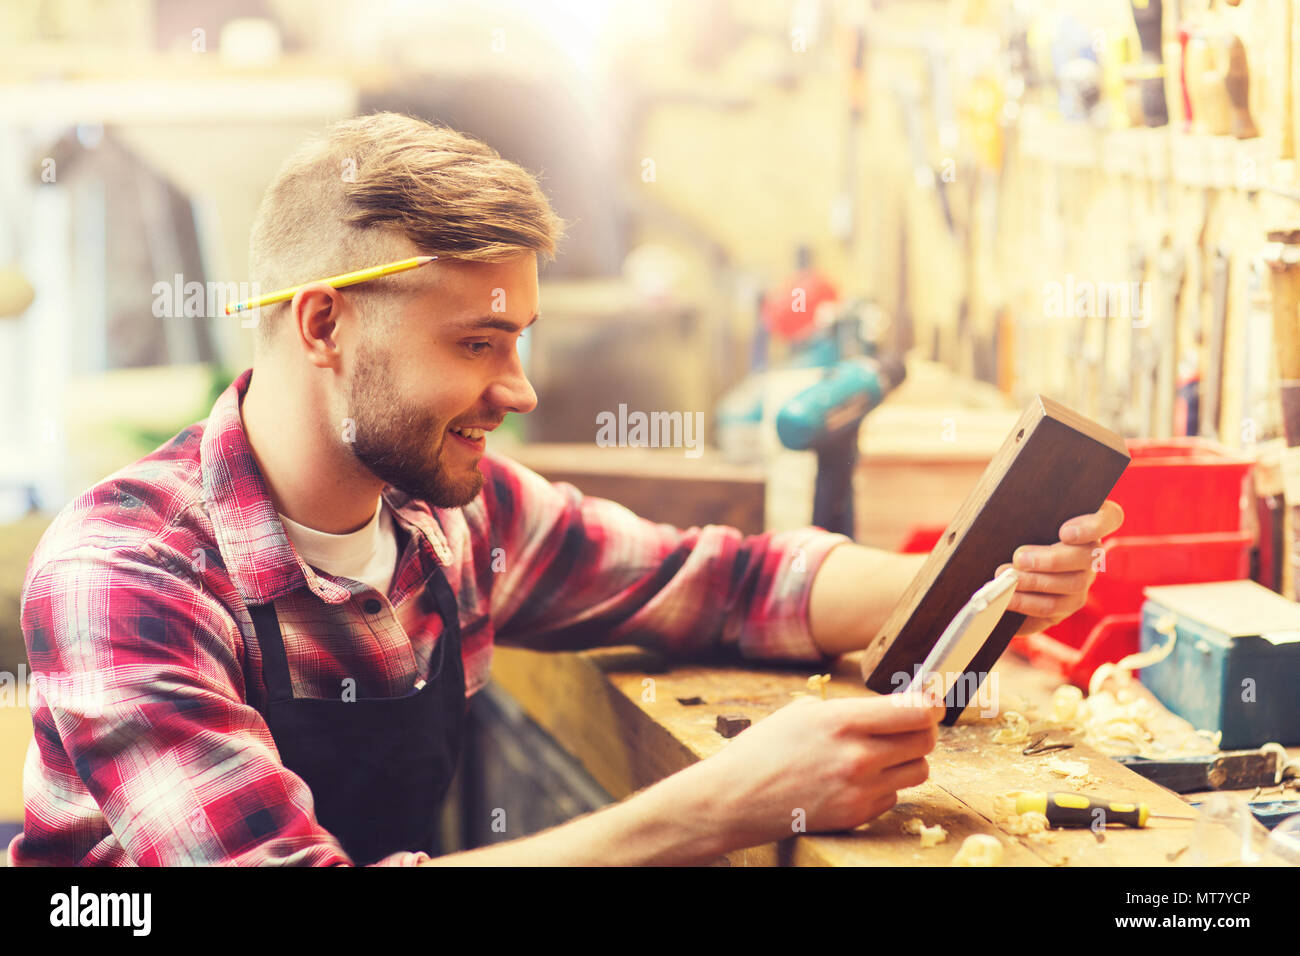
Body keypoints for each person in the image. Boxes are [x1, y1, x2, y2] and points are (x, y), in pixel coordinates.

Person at [11, 113, 1123, 866]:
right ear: (324, 322)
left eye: (522, 339)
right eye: (479, 342)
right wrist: (715, 803)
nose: (521, 387)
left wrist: (985, 582)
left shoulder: (452, 521)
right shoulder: (124, 572)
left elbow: (724, 583)